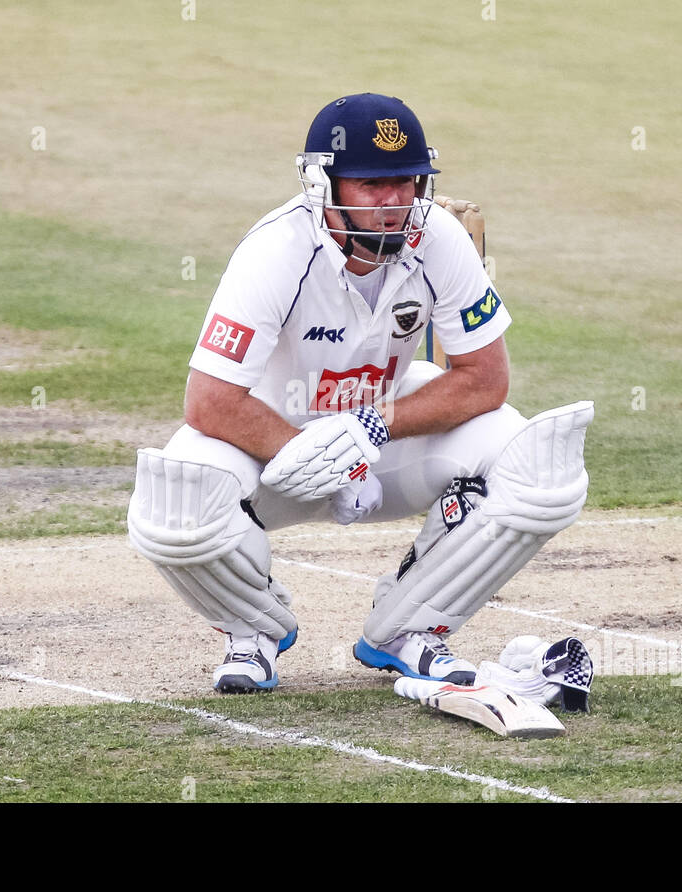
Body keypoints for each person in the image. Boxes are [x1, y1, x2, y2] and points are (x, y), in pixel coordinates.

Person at [128, 93, 592, 693]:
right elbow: (211, 400)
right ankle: (254, 631)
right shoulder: (275, 251)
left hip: (384, 445)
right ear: (323, 184)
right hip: (269, 451)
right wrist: (325, 460)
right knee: (173, 508)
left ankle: (410, 629)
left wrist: (368, 429)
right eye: (372, 185)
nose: (393, 202)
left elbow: (485, 379)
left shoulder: (439, 240)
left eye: (407, 182)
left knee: (537, 469)